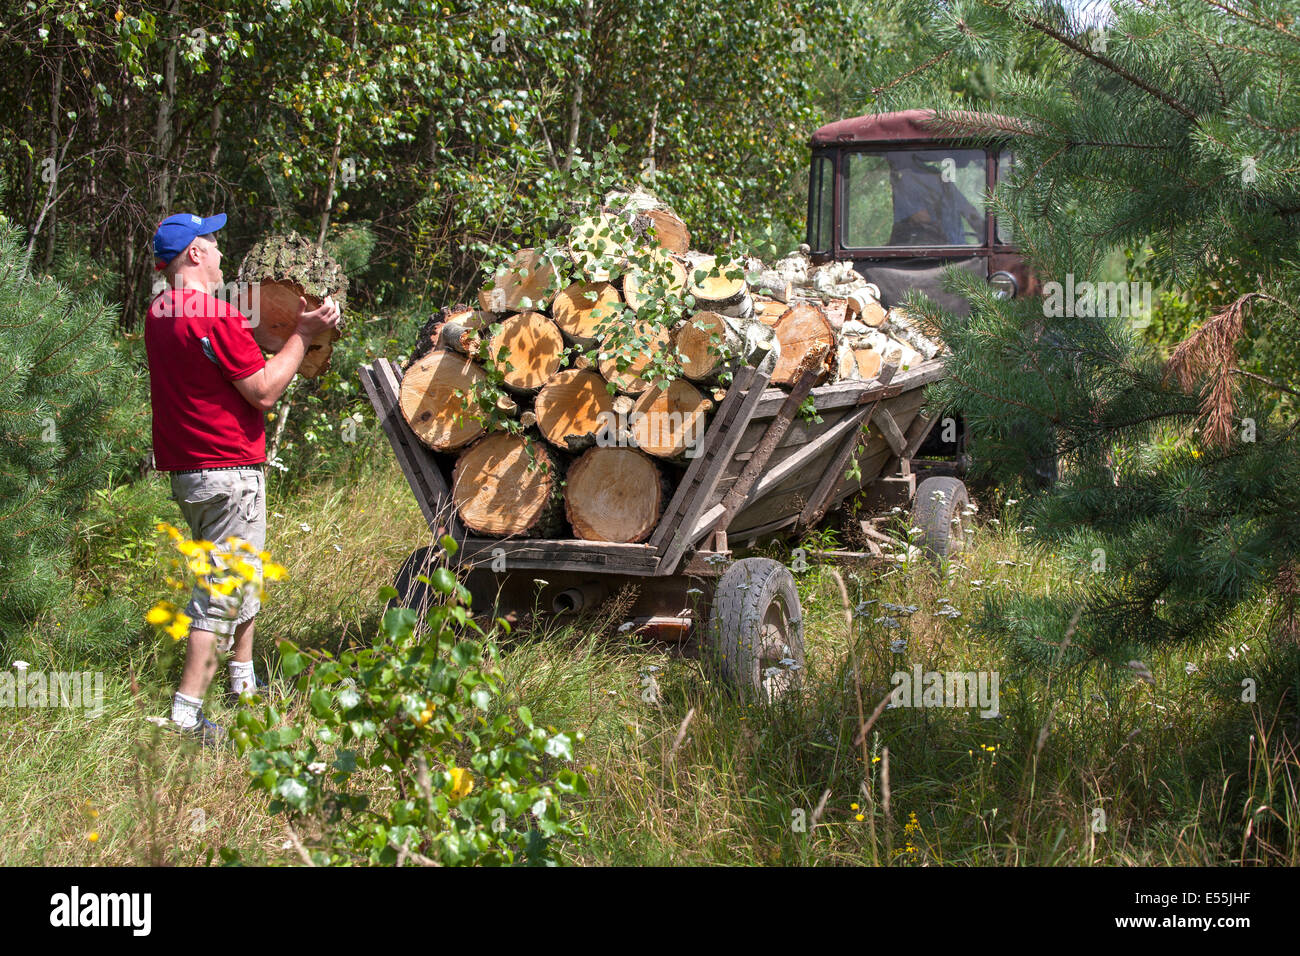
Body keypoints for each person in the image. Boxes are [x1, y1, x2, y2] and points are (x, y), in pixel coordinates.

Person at [144, 213, 340, 745]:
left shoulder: (159, 311)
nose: (223, 255)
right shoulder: (213, 315)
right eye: (213, 244)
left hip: (191, 473)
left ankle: (242, 683)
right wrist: (302, 334)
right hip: (227, 473)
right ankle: (185, 716)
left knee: (242, 572)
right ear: (194, 255)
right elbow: (265, 391)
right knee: (222, 592)